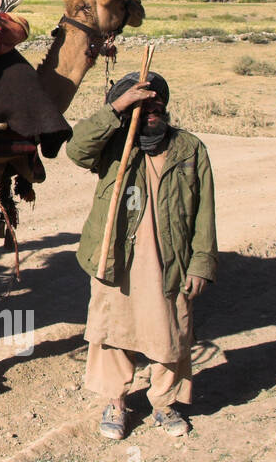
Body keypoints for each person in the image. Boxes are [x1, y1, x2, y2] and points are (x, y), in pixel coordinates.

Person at [67, 72, 218, 440]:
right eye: (140, 105)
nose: (150, 111)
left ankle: (164, 403)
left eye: (156, 105)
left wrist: (201, 263)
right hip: (116, 256)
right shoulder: (115, 145)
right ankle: (116, 403)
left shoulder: (189, 149)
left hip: (170, 260)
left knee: (171, 333)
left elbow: (204, 212)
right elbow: (76, 149)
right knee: (112, 331)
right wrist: (116, 109)